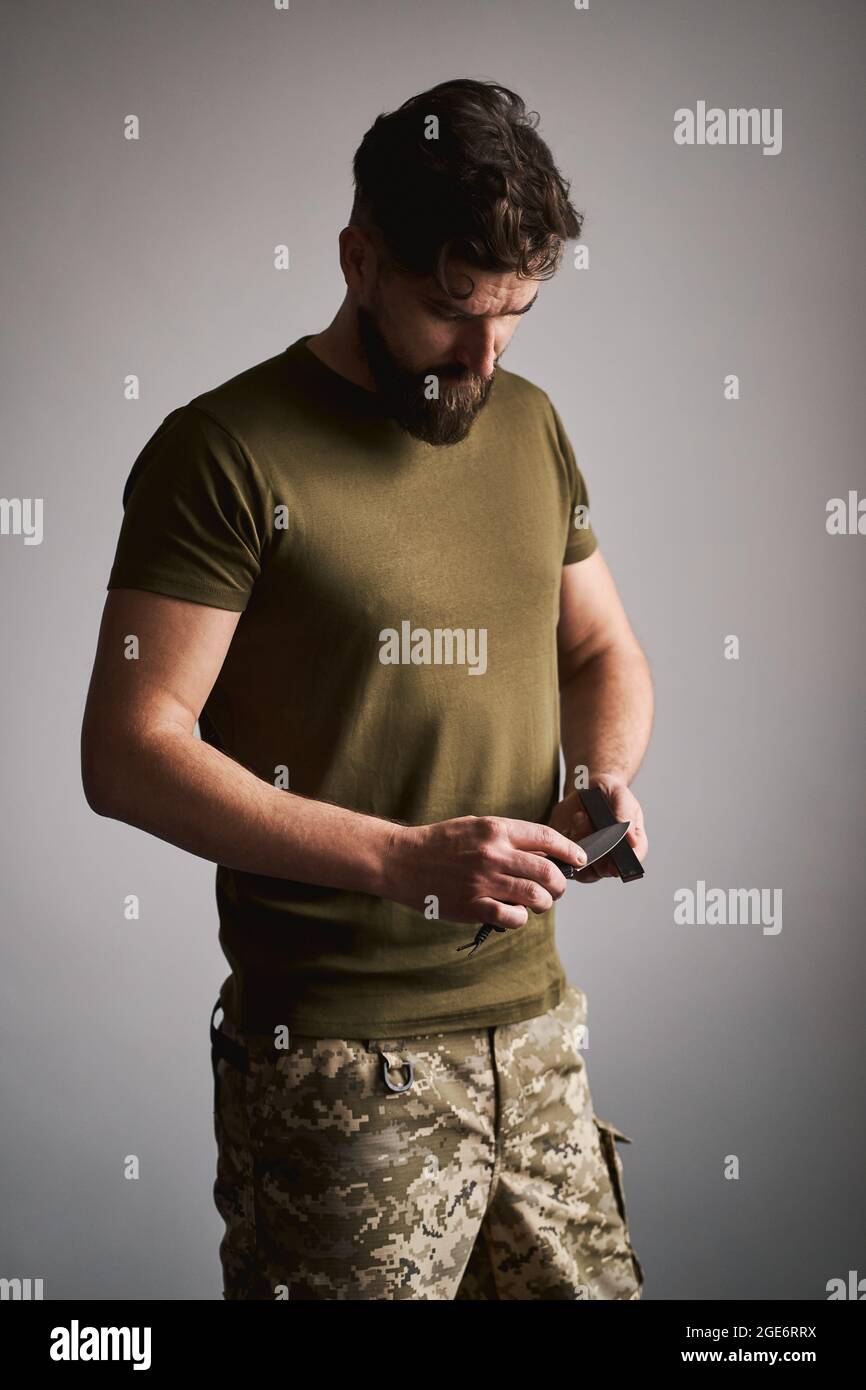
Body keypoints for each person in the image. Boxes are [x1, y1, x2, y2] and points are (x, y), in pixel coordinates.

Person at [81, 77, 653, 1300]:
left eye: (516, 315)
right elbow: (129, 749)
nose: (483, 357)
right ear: (358, 259)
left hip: (540, 1041)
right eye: (452, 311)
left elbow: (602, 650)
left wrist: (600, 780)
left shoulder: (531, 425)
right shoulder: (221, 453)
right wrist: (402, 860)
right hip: (341, 1067)